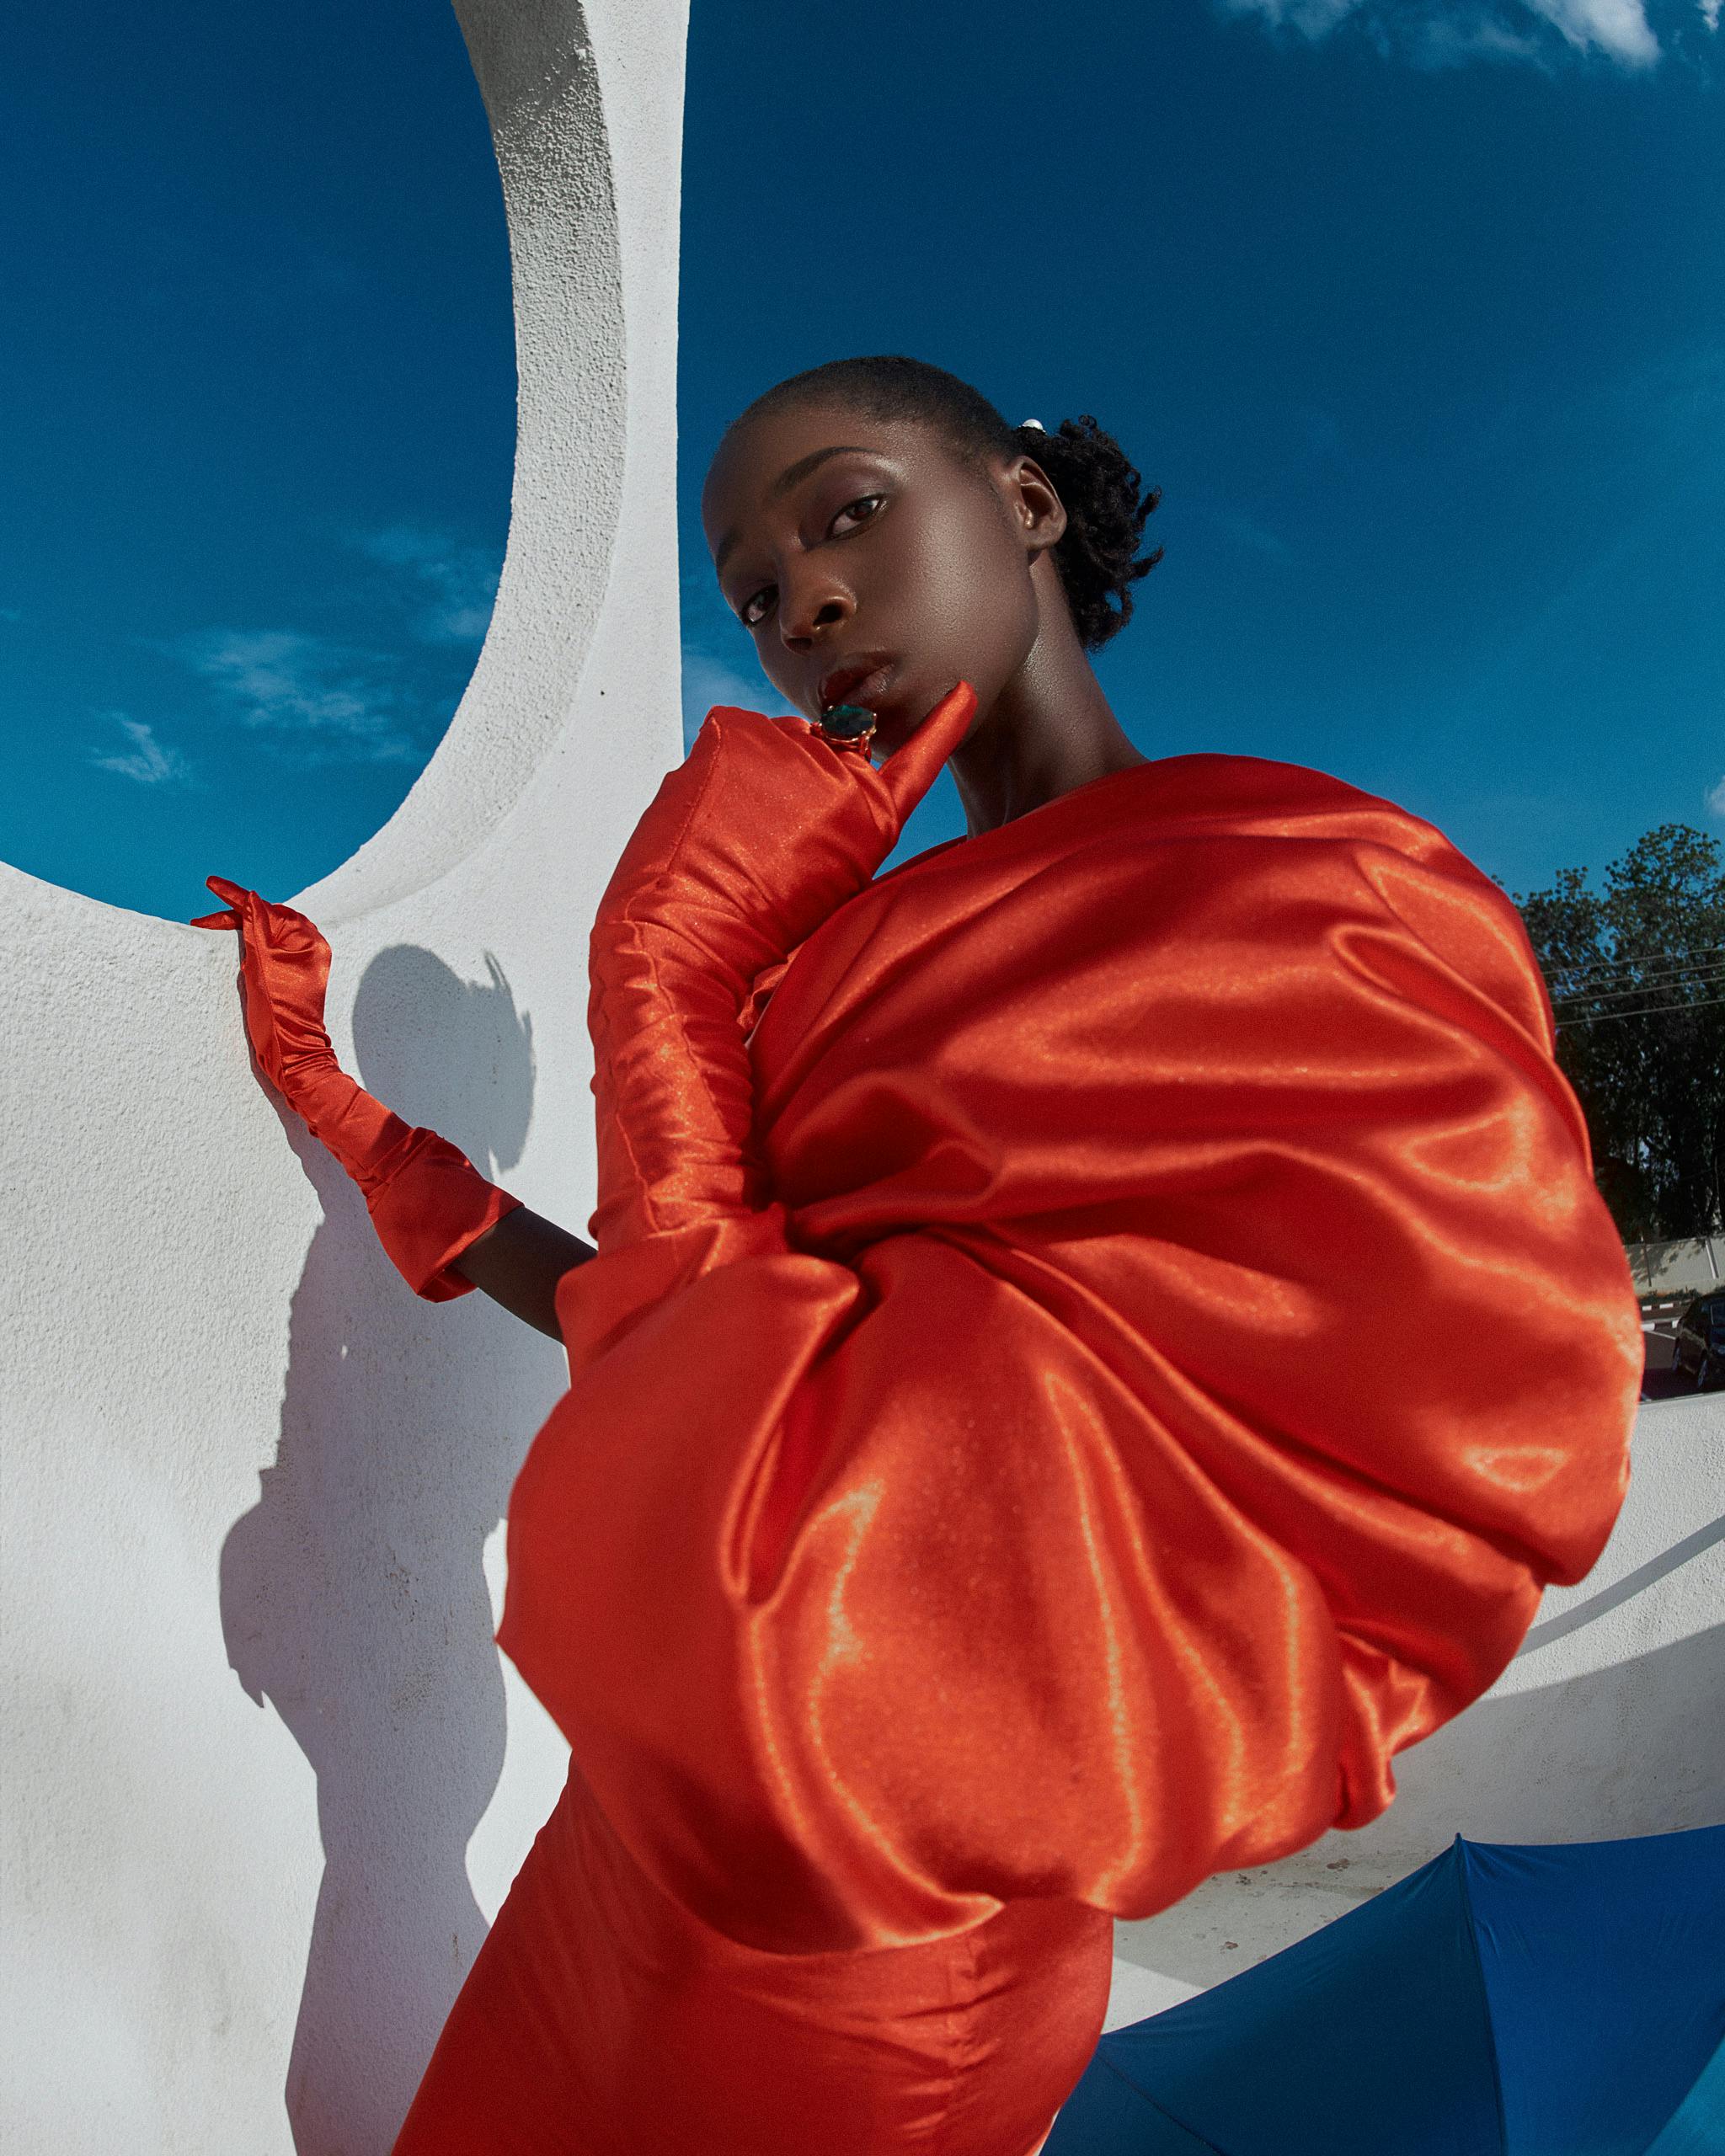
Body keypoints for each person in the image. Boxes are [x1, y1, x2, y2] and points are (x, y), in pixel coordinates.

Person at [198, 356, 1642, 2155]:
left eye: (847, 511)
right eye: (748, 590)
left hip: (878, 1923)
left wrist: (659, 980)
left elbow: (798, 1449)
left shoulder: (1298, 883)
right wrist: (349, 1119)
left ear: (1021, 507)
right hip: (633, 1838)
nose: (797, 599)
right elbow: (679, 1340)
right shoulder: (830, 947)